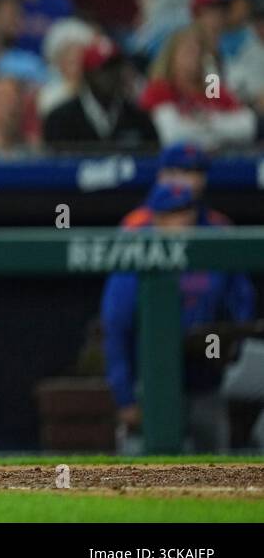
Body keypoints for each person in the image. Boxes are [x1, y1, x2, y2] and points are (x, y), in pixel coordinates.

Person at [101, 183, 256, 453]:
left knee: (214, 470)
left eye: (186, 211)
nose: (181, 220)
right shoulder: (138, 248)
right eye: (171, 213)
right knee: (143, 472)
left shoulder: (213, 244)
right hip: (150, 382)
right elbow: (116, 325)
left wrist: (231, 348)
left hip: (204, 380)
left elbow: (242, 303)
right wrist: (124, 397)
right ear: (156, 217)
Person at [42, 36, 158, 150]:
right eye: (104, 69)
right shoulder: (60, 120)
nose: (113, 75)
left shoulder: (139, 118)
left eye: (117, 67)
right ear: (88, 74)